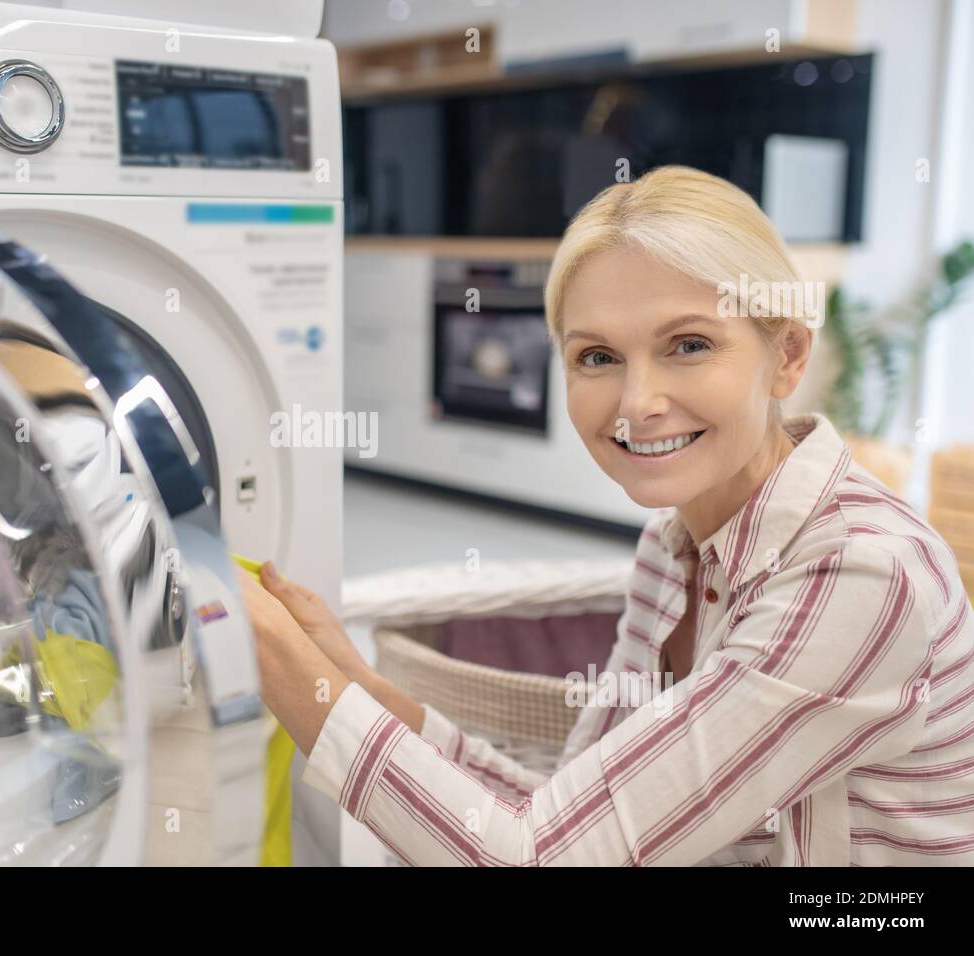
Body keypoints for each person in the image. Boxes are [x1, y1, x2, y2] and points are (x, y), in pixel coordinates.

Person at [239, 165, 974, 865]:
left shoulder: (860, 572)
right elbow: (566, 823)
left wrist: (286, 667)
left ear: (786, 356)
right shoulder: (673, 544)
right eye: (597, 357)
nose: (636, 404)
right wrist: (362, 691)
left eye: (689, 345)